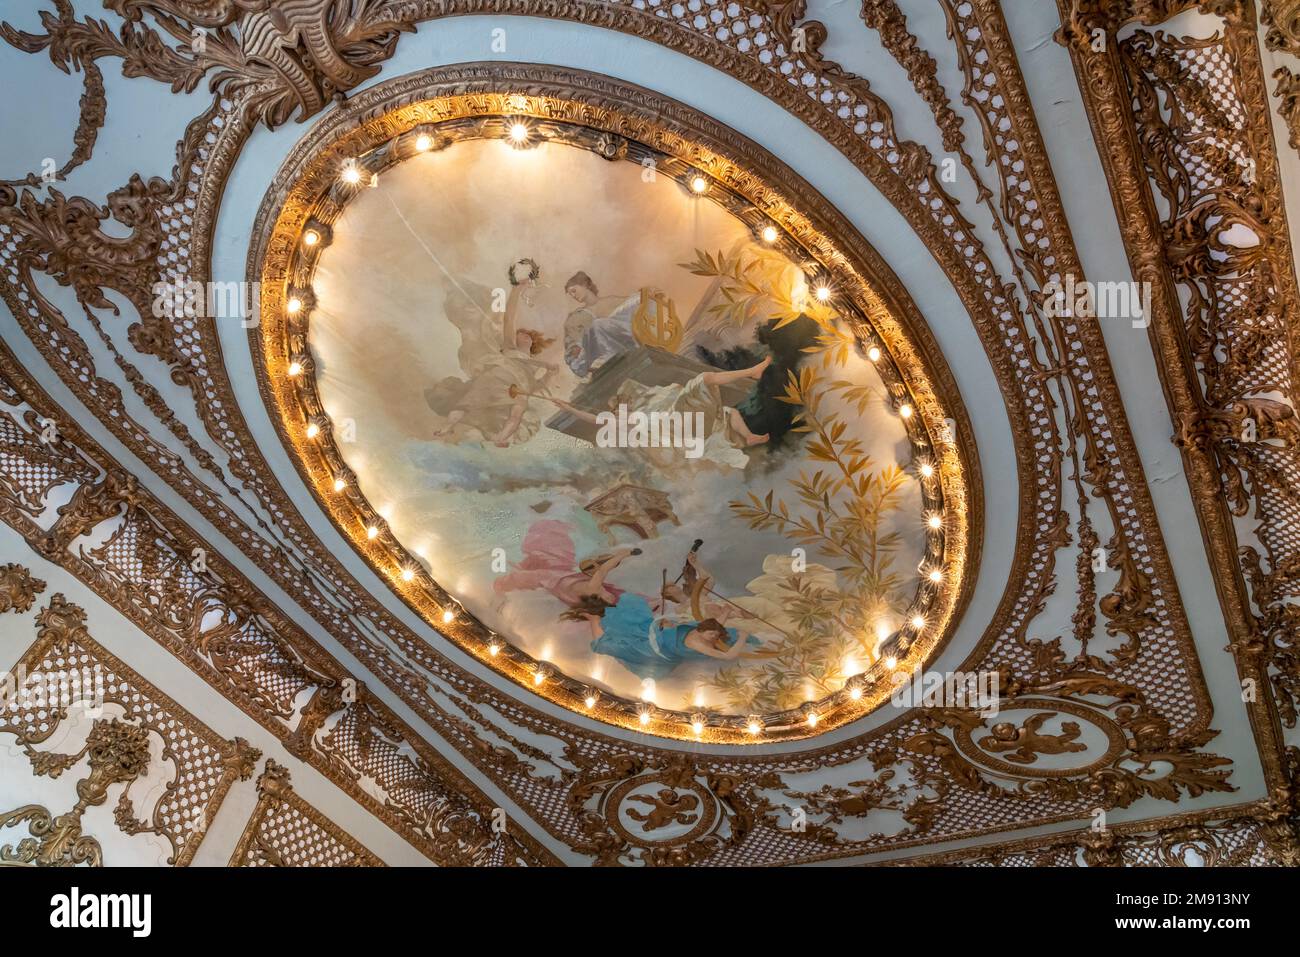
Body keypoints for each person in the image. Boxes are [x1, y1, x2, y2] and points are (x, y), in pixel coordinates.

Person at [425, 266, 558, 446]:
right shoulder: (509, 347)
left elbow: (537, 386)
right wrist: (516, 291)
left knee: (516, 414)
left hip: (519, 389)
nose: (524, 335)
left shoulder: (533, 365)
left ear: (533, 343)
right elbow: (509, 318)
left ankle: (501, 438)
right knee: (469, 401)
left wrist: (550, 374)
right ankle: (448, 426)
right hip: (498, 377)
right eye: (521, 333)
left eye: (528, 335)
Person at [493, 520, 641, 608]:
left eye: (608, 600)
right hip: (562, 583)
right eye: (612, 599)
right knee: (535, 573)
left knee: (528, 577)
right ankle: (506, 583)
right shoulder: (594, 594)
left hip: (556, 580)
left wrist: (624, 554)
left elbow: (603, 570)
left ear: (601, 599)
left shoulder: (594, 589)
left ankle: (501, 584)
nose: (611, 598)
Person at [562, 271, 640, 377]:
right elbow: (574, 343)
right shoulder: (577, 317)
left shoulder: (610, 300)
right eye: (570, 294)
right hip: (598, 353)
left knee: (599, 324)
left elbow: (633, 303)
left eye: (574, 291)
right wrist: (576, 349)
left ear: (585, 285)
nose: (573, 295)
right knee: (597, 326)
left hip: (624, 342)